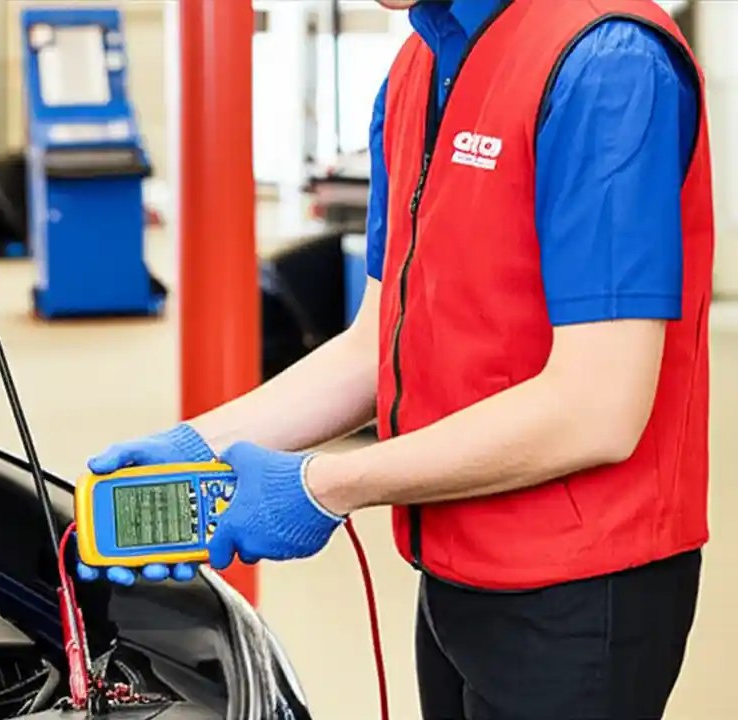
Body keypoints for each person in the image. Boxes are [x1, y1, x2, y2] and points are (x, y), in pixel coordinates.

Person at [76, 0, 713, 717]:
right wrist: (198, 443)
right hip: (453, 563)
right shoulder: (419, 66)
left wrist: (325, 483)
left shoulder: (607, 62)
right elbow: (376, 342)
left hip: (580, 588)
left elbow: (597, 408)